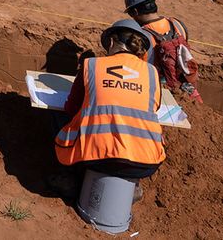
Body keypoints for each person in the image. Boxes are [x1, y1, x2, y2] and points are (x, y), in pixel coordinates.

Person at [51, 19, 165, 196]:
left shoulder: (92, 65)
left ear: (111, 42)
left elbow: (71, 108)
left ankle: (69, 177)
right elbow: (154, 108)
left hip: (96, 159)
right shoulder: (152, 73)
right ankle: (133, 186)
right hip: (145, 163)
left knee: (58, 117)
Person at [125, 0, 202, 103]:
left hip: (159, 93)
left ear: (134, 12)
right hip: (185, 90)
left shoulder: (140, 37)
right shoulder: (178, 24)